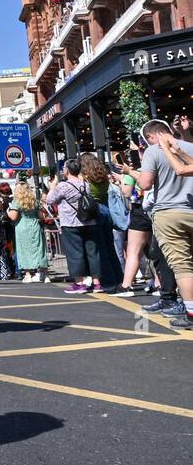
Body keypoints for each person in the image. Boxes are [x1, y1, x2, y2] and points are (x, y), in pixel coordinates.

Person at [135, 122, 193, 323]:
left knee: (183, 266)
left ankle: (191, 313)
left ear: (152, 136)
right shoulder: (190, 146)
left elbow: (145, 183)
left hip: (168, 213)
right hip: (191, 208)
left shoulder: (153, 151)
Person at [44, 160, 103, 294]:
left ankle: (79, 283)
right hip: (89, 222)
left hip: (71, 223)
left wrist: (53, 186)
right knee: (92, 253)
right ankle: (97, 283)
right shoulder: (85, 184)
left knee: (75, 253)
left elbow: (49, 200)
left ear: (67, 170)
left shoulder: (63, 186)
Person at [79, 153, 124, 292]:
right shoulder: (102, 176)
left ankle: (108, 282)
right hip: (107, 211)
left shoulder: (85, 179)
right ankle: (119, 279)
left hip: (95, 212)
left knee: (100, 250)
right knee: (110, 248)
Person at [8, 181, 48, 283]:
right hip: (35, 226)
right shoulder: (34, 201)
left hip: (23, 227)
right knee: (39, 249)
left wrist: (8, 211)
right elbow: (41, 216)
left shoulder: (17, 201)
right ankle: (44, 274)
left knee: (24, 250)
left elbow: (13, 217)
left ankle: (28, 275)